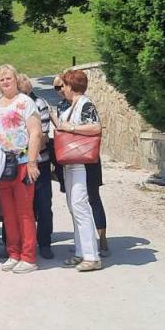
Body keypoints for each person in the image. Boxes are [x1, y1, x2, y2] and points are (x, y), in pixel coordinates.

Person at [0, 64, 42, 274]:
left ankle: (28, 256)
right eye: (1, 79)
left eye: (8, 78)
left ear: (16, 79)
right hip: (1, 166)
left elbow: (35, 133)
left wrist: (32, 162)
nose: (5, 82)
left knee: (25, 212)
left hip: (21, 163)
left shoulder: (26, 102)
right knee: (8, 214)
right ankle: (14, 253)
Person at [55, 69, 103, 271]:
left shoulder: (85, 104)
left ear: (71, 86)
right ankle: (80, 251)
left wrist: (70, 128)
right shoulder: (73, 105)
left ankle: (92, 256)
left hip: (82, 164)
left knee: (79, 205)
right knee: (74, 207)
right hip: (71, 162)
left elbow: (96, 127)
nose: (62, 89)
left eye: (64, 85)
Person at [18, 72, 55, 260]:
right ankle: (23, 242)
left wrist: (22, 149)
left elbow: (43, 137)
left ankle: (45, 242)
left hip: (40, 162)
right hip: (18, 164)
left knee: (43, 204)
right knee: (22, 206)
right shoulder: (14, 105)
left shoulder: (39, 104)